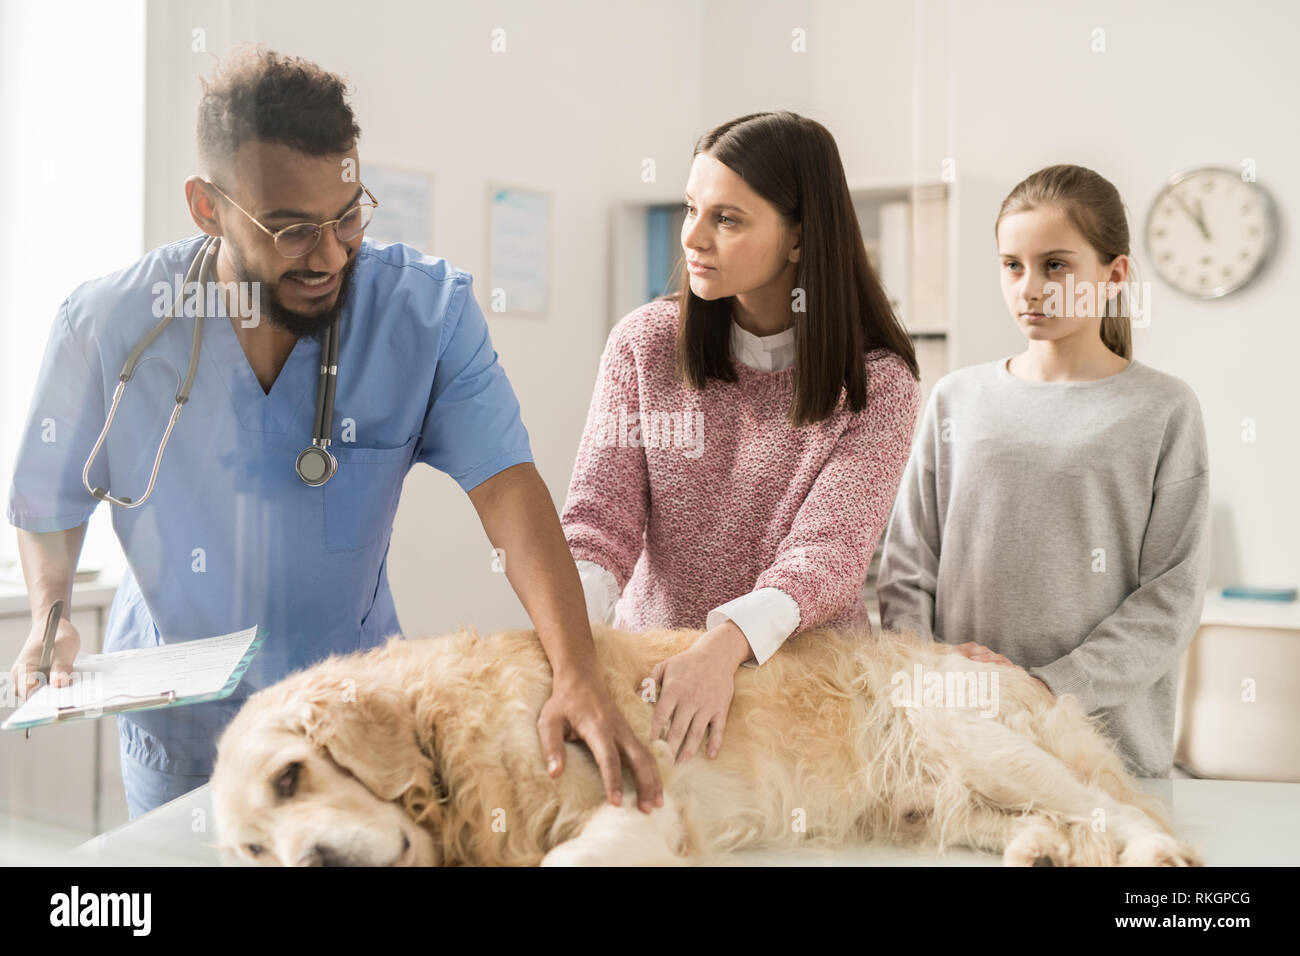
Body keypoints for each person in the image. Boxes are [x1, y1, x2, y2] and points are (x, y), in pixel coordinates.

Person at [6, 46, 660, 819]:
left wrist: (576, 665)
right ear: (207, 206)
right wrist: (50, 612)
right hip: (180, 727)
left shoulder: (424, 315)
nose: (329, 255)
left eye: (347, 215)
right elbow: (51, 499)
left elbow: (509, 489)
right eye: (289, 230)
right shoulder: (106, 325)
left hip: (353, 717)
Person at [562, 111, 922, 766]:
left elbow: (826, 557)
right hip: (657, 675)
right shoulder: (642, 344)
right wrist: (563, 640)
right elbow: (597, 523)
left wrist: (722, 647)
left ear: (798, 240)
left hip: (811, 694)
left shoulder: (878, 384)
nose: (693, 238)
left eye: (727, 220)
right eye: (691, 209)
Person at [876, 164, 1210, 778]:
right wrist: (934, 668)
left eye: (1055, 265)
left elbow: (1172, 597)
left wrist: (1044, 689)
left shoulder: (1164, 408)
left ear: (1114, 276)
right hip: (961, 739)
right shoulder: (955, 398)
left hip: (1106, 755)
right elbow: (907, 567)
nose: (1030, 288)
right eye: (1012, 265)